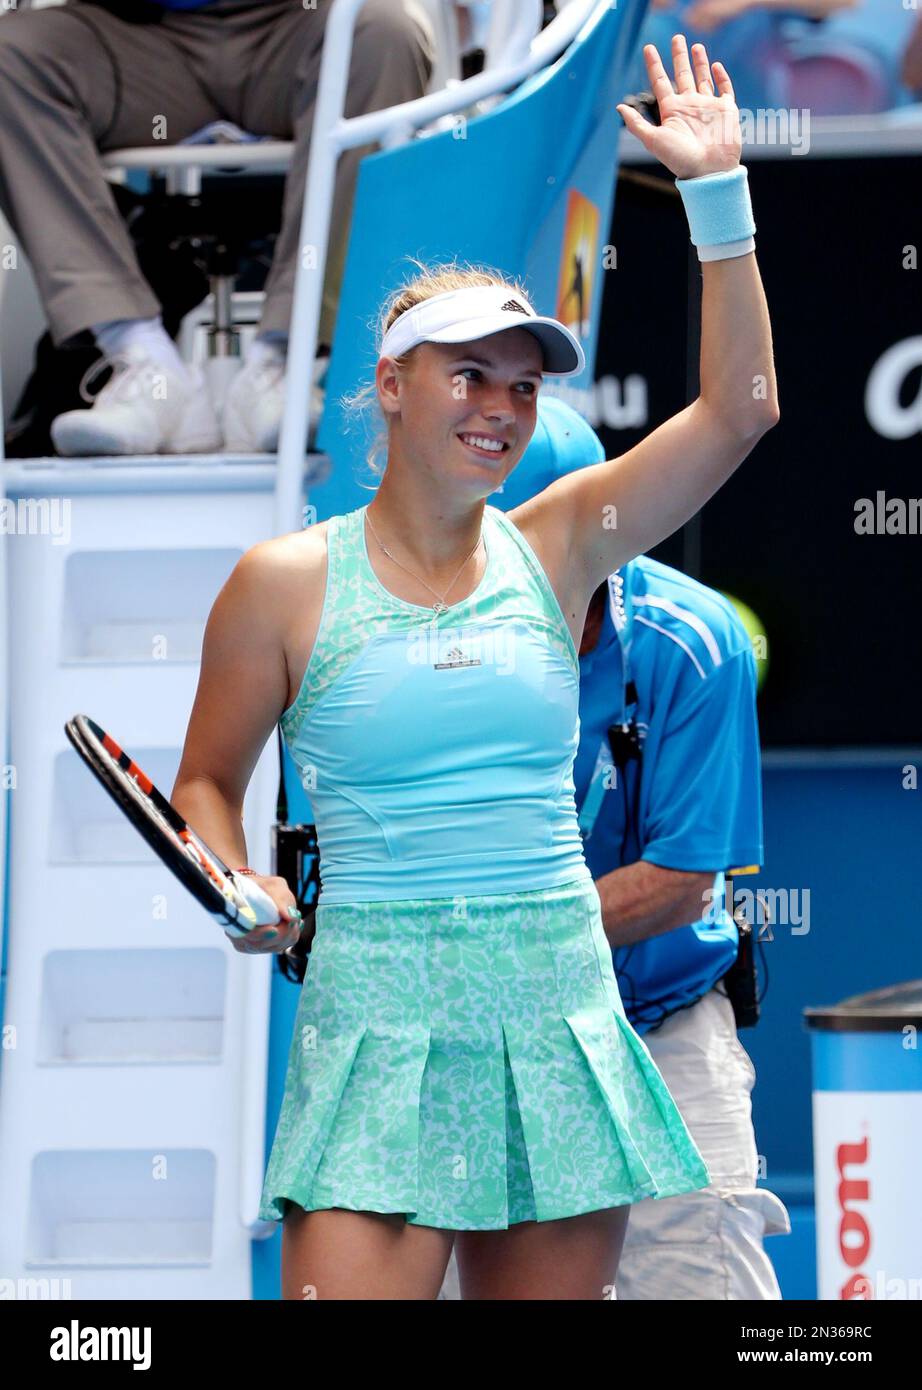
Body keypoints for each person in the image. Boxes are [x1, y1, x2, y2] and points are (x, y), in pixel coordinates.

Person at [170, 36, 779, 1298]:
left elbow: (740, 410)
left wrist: (720, 200)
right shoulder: (279, 583)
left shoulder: (559, 546)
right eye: (467, 376)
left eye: (518, 384)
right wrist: (233, 878)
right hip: (374, 1024)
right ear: (389, 387)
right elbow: (207, 784)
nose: (498, 406)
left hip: (555, 1009)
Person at [437, 396, 790, 1301]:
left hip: (661, 1021)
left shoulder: (697, 641)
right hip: (482, 1038)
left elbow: (681, 882)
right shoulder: (412, 649)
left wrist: (508, 928)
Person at [0, 0, 435, 456]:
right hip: (142, 38)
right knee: (11, 55)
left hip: (295, 28)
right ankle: (143, 361)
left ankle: (286, 365)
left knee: (387, 31)